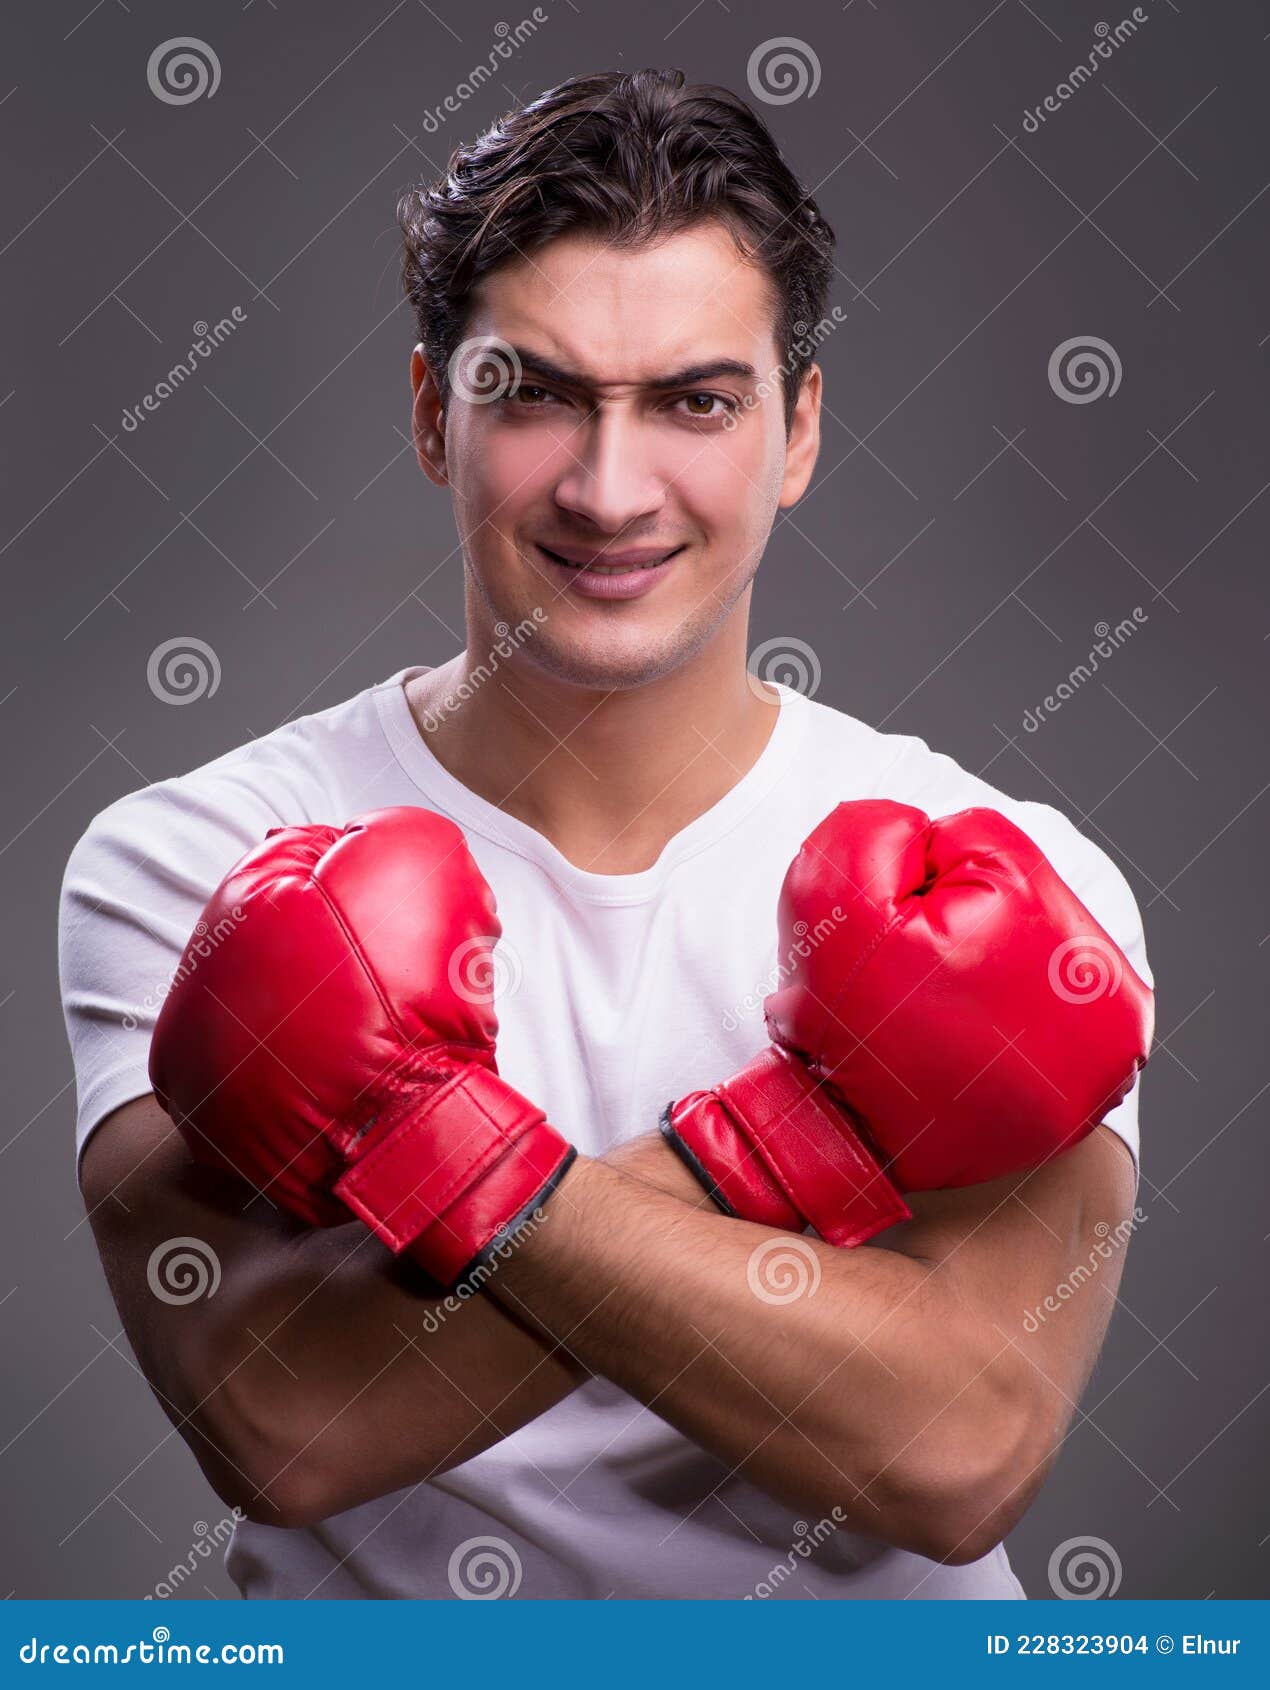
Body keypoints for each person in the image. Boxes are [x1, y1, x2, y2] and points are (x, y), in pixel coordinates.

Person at [59, 68, 1152, 1601]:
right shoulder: (196, 859)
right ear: (438, 413)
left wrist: (422, 1155)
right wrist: (817, 1141)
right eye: (538, 393)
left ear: (797, 431)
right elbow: (288, 1418)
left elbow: (954, 1448)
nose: (609, 486)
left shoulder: (1002, 871)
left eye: (694, 400)